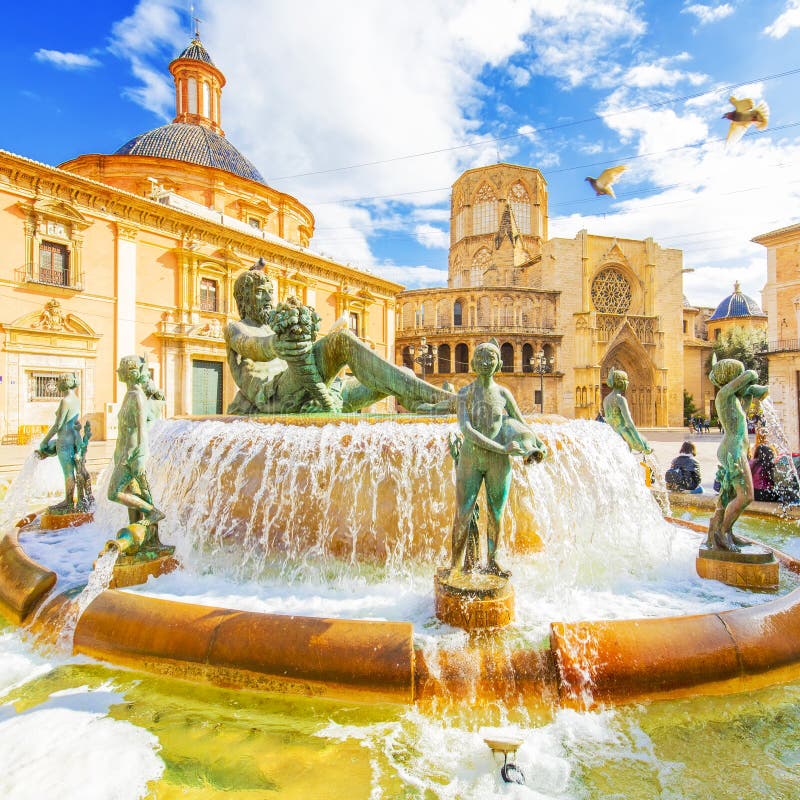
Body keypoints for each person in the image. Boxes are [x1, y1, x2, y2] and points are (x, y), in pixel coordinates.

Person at [224, 264, 455, 415]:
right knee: (341, 340)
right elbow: (254, 348)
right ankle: (444, 398)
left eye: (269, 291)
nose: (268, 298)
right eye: (259, 292)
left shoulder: (276, 327)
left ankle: (432, 407)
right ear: (243, 298)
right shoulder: (236, 329)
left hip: (312, 396)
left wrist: (329, 392)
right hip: (275, 397)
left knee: (405, 373)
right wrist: (276, 345)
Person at [450, 340, 547, 579]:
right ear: (473, 363)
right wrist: (502, 448)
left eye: (490, 357)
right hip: (472, 459)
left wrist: (538, 441)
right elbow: (467, 430)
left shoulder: (504, 393)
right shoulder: (465, 393)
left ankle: (492, 561)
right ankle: (455, 565)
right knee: (463, 512)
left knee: (496, 513)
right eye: (481, 357)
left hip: (498, 463)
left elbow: (520, 421)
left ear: (499, 363)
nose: (485, 361)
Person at [706, 356, 768, 551]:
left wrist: (751, 392)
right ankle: (722, 533)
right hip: (731, 451)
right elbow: (751, 374)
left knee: (728, 496)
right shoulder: (724, 395)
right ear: (731, 377)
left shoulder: (733, 399)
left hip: (736, 449)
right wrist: (748, 377)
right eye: (737, 375)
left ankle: (723, 531)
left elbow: (754, 395)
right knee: (746, 496)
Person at [107, 355, 165, 525]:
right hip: (124, 453)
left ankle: (153, 513)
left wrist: (134, 455)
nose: (118, 373)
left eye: (121, 370)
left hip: (131, 455)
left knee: (113, 493)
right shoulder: (130, 394)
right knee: (132, 493)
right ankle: (136, 529)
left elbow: (141, 430)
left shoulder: (136, 396)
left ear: (130, 373)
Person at [35, 373, 84, 511]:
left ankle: (68, 502)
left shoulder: (65, 400)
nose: (57, 385)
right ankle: (74, 499)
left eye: (59, 382)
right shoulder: (76, 399)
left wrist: (44, 441)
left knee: (68, 472)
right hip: (74, 438)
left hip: (64, 440)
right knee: (75, 470)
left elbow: (58, 425)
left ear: (64, 383)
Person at [602, 368, 652, 454]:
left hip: (611, 434)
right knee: (645, 446)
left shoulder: (606, 399)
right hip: (623, 435)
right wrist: (640, 442)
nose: (628, 383)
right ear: (621, 382)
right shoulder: (620, 399)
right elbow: (629, 422)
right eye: (626, 380)